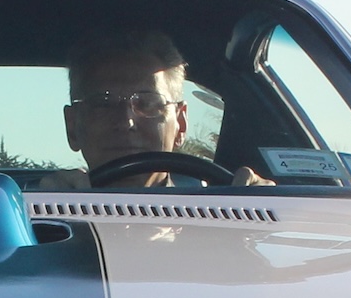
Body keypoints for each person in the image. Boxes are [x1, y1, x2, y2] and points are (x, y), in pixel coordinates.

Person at [53, 28, 268, 189]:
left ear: (180, 123)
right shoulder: (33, 217)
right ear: (72, 126)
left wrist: (262, 216)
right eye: (104, 103)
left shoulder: (231, 213)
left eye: (147, 103)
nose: (126, 121)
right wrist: (41, 219)